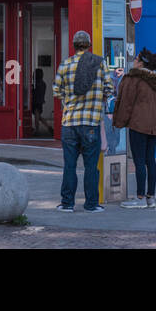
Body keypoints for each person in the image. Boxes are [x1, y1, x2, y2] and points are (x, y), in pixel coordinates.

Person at [53, 30, 113, 213]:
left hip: (69, 122)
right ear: (88, 45)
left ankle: (67, 203)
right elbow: (109, 89)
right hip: (91, 123)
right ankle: (91, 204)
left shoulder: (65, 64)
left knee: (69, 165)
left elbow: (56, 92)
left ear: (74, 45)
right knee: (91, 166)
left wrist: (69, 100)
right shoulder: (99, 63)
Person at [111, 48, 156, 208]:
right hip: (154, 124)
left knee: (139, 161)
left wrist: (118, 122)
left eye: (136, 58)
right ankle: (150, 197)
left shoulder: (133, 78)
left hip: (138, 124)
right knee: (150, 160)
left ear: (141, 62)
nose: (133, 60)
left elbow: (125, 102)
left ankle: (140, 197)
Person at [31, 67, 50, 137]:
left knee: (37, 116)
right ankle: (48, 126)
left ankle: (37, 130)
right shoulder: (43, 83)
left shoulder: (36, 84)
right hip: (40, 101)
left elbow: (33, 92)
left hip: (35, 101)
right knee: (38, 116)